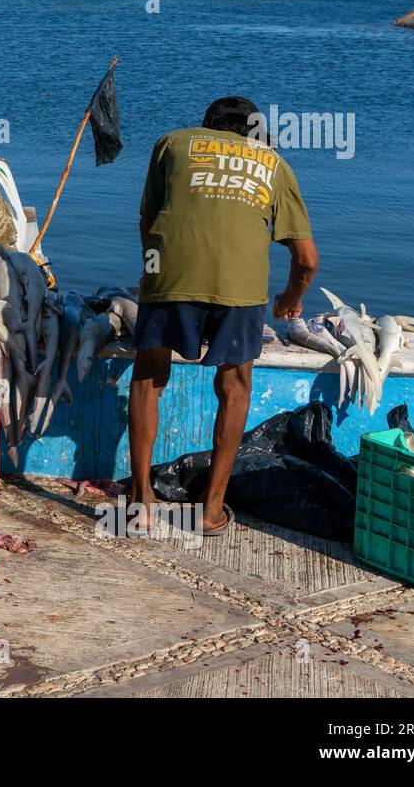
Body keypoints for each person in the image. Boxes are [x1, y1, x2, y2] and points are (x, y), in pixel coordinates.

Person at [128, 96, 319, 535]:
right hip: (239, 290)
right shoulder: (272, 164)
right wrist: (289, 299)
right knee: (235, 387)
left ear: (208, 126)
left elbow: (148, 220)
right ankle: (211, 511)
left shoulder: (171, 144)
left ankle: (140, 504)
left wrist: (158, 273)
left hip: (167, 277)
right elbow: (307, 259)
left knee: (149, 375)